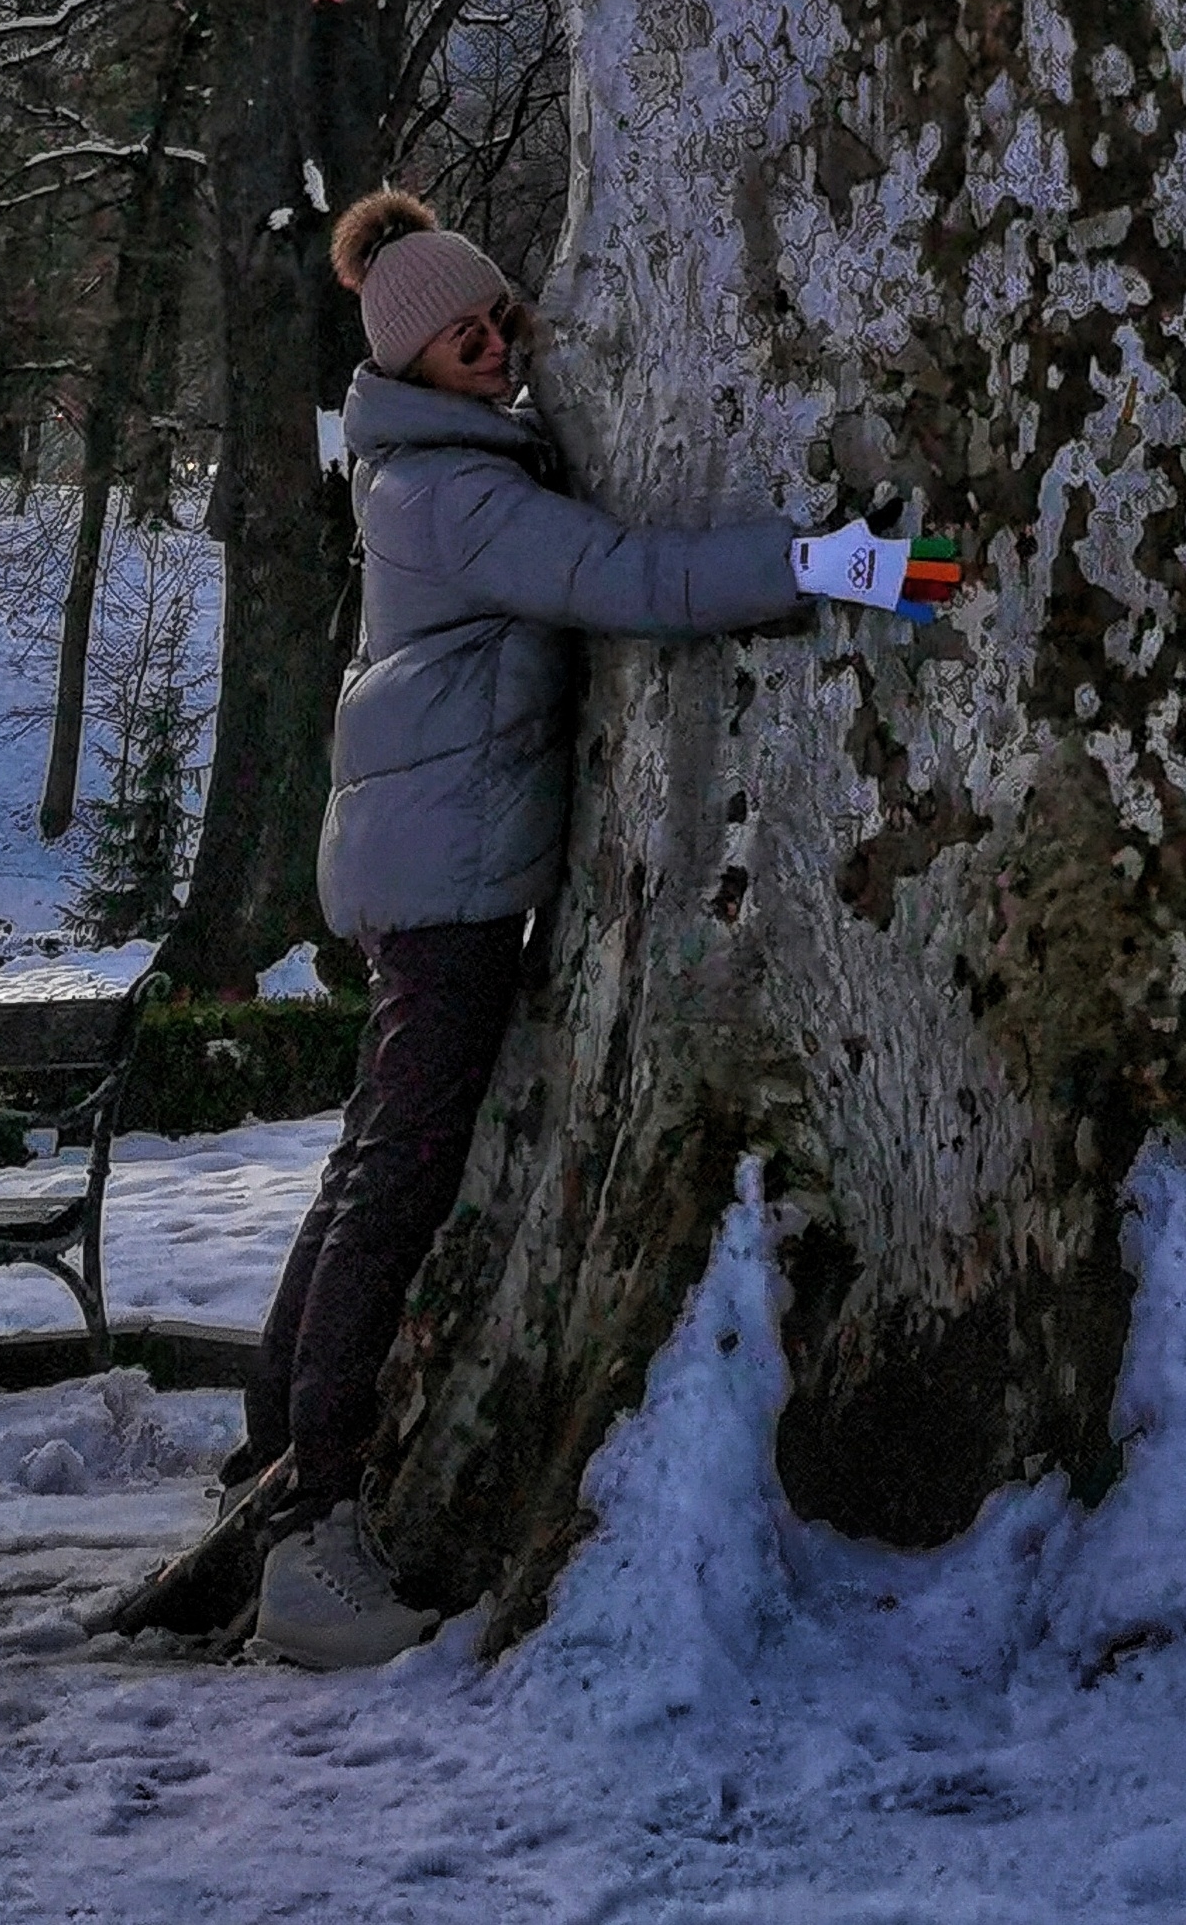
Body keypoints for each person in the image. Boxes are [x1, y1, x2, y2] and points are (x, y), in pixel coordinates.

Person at [234, 188, 957, 1670]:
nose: (495, 351)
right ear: (407, 363)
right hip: (442, 875)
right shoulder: (456, 494)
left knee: (383, 1146)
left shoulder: (437, 458)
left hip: (421, 857)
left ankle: (267, 1450)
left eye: (501, 320)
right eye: (460, 340)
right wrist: (826, 560)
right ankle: (310, 1520)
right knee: (403, 1166)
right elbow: (632, 577)